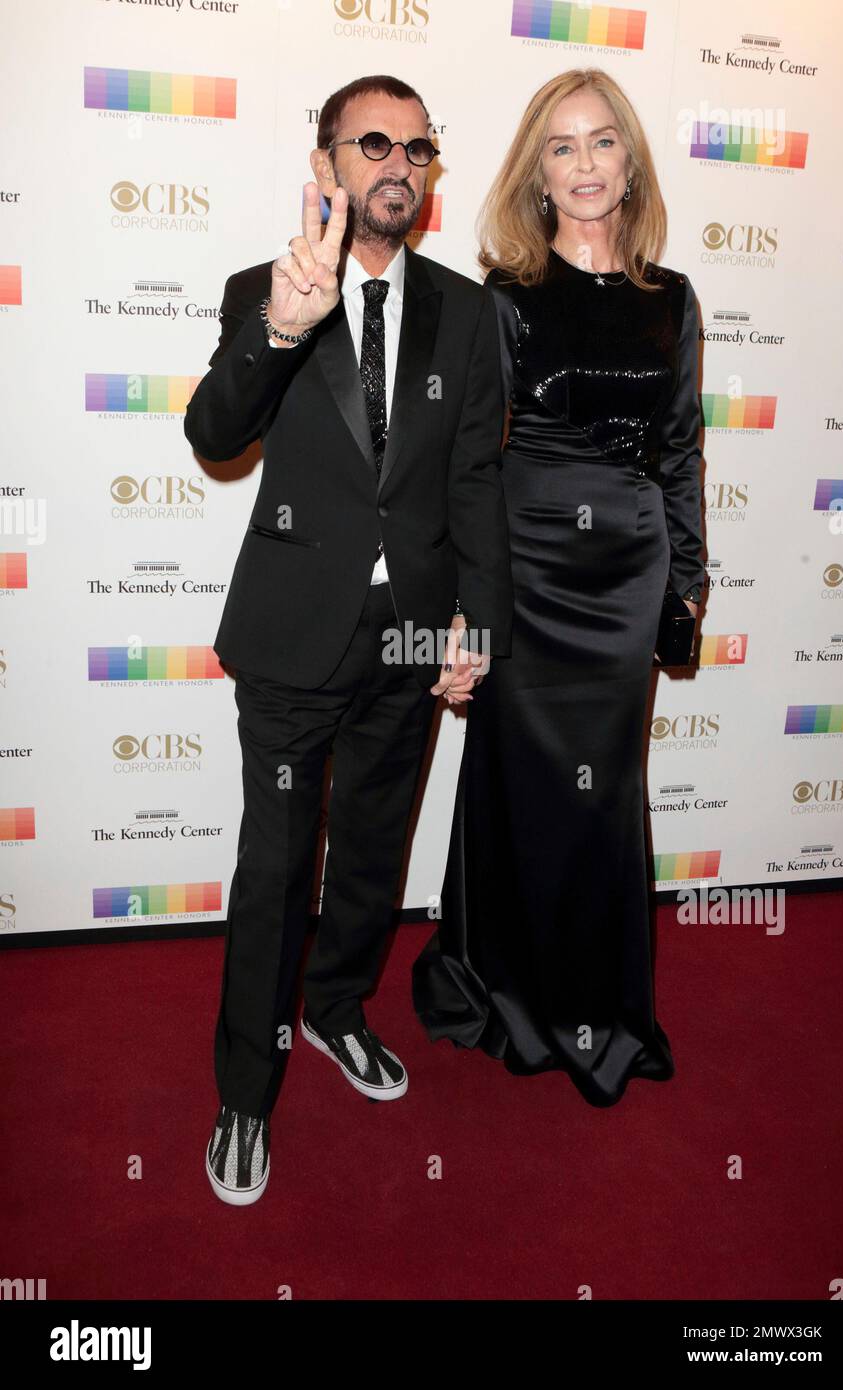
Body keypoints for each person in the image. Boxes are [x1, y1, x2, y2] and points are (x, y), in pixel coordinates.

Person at [184, 74, 512, 1204]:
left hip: (409, 633)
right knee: (276, 865)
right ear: (325, 165)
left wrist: (477, 617)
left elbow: (474, 479)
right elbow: (214, 432)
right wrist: (284, 322)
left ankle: (331, 1012)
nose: (397, 165)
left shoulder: (467, 315)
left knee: (373, 844)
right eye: (372, 143)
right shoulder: (266, 288)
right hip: (289, 632)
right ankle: (244, 1089)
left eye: (417, 148)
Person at [413, 68, 706, 1108]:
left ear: (629, 160)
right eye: (560, 147)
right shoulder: (504, 299)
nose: (583, 165)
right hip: (525, 571)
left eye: (600, 143)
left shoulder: (670, 300)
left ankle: (602, 1009)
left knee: (602, 796)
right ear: (536, 173)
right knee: (512, 783)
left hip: (625, 580)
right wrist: (465, 607)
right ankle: (508, 993)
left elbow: (678, 454)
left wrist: (683, 593)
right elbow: (470, 465)